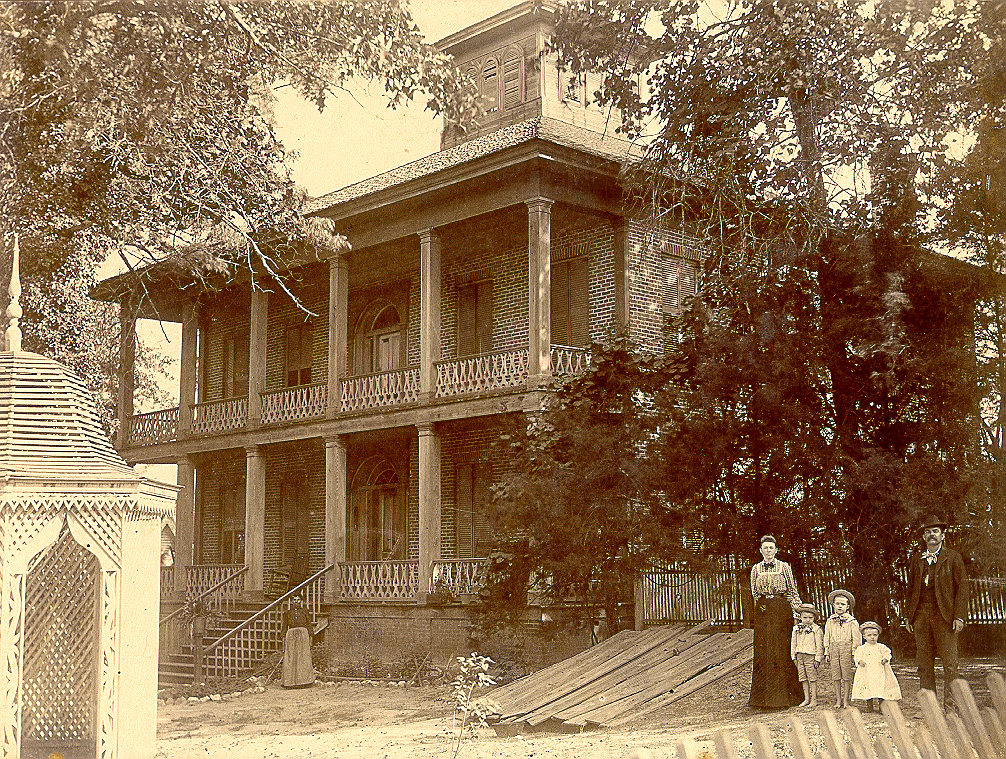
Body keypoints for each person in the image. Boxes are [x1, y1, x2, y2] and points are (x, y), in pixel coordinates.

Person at [905, 514, 969, 710]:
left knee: (950, 664)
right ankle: (930, 708)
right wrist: (909, 616)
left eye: (935, 531)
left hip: (945, 616)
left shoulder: (953, 557)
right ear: (923, 537)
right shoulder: (916, 559)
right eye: (927, 532)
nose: (931, 535)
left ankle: (951, 707)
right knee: (924, 663)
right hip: (921, 616)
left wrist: (959, 616)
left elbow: (963, 589)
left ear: (942, 535)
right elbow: (910, 589)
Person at [749, 534, 803, 709]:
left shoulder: (784, 567)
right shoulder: (756, 569)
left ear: (776, 550)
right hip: (764, 612)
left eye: (771, 547)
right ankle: (762, 700)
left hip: (781, 610)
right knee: (765, 651)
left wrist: (798, 612)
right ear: (760, 550)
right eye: (765, 548)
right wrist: (762, 609)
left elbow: (792, 591)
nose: (768, 550)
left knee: (782, 650)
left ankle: (788, 697)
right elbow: (755, 595)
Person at [852, 621, 902, 712]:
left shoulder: (881, 647)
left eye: (875, 635)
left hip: (880, 671)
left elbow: (888, 653)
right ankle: (869, 706)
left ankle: (881, 707)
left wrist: (885, 658)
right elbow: (857, 656)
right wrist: (860, 661)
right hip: (867, 672)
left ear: (878, 635)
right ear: (864, 636)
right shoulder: (862, 648)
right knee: (868, 687)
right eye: (869, 635)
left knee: (881, 687)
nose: (872, 637)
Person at [823, 588, 861, 709]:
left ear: (848, 606)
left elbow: (856, 638)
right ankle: (838, 699)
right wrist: (827, 651)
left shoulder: (852, 622)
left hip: (846, 649)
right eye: (837, 604)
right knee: (836, 675)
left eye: (842, 604)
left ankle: (846, 700)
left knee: (846, 675)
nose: (840, 606)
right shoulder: (830, 621)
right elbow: (827, 636)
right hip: (834, 649)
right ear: (833, 605)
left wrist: (854, 652)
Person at [790, 602, 824, 707]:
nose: (808, 620)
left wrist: (818, 658)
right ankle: (807, 698)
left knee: (812, 677)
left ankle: (814, 699)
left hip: (811, 656)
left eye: (810, 617)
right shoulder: (796, 628)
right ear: (800, 617)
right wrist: (793, 656)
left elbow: (819, 645)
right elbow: (793, 643)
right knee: (803, 678)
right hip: (800, 655)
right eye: (805, 617)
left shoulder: (816, 629)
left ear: (814, 617)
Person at [281, 595, 314, 688]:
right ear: (292, 601)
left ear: (301, 601)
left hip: (303, 634)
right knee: (291, 657)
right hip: (291, 635)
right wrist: (283, 637)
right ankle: (290, 682)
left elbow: (308, 623)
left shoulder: (305, 611)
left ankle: (304, 681)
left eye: (298, 600)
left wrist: (311, 635)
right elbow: (285, 625)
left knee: (303, 656)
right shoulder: (288, 613)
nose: (296, 602)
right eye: (294, 600)